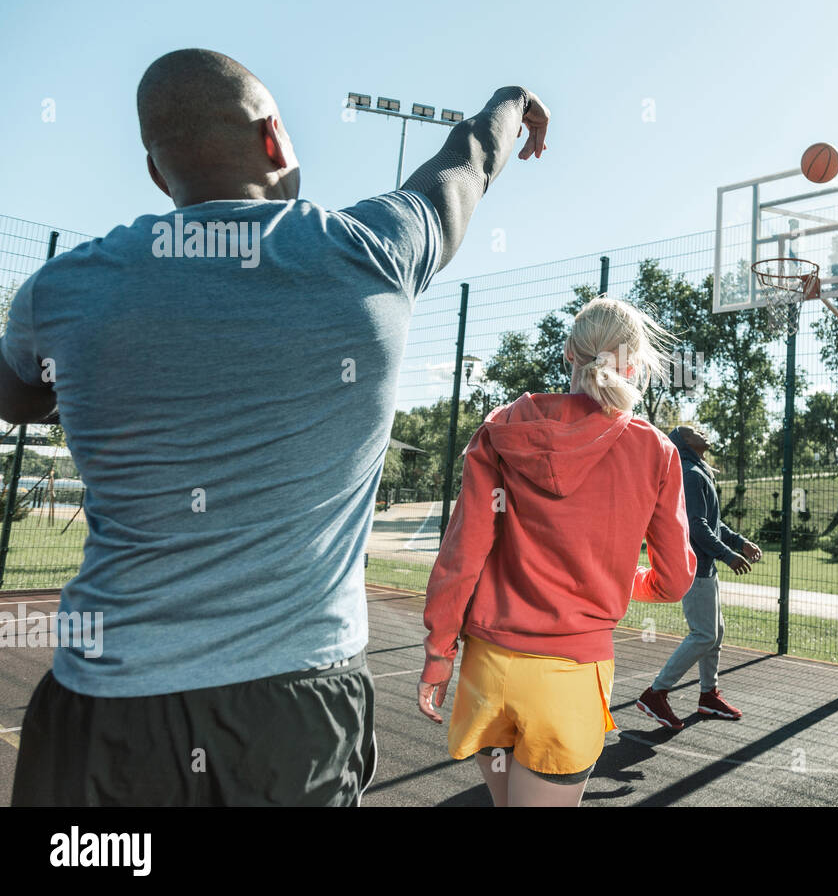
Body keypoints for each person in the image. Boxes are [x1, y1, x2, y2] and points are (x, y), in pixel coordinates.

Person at [1, 48, 549, 805]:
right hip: (296, 712)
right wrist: (511, 100)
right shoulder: (376, 250)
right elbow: (466, 165)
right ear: (277, 140)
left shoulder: (62, 289)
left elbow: (19, 398)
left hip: (107, 709)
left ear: (160, 176)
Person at [417, 297, 697, 807]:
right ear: (633, 366)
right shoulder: (656, 451)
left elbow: (462, 555)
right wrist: (625, 580)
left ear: (568, 353)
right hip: (569, 678)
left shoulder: (502, 428)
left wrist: (439, 655)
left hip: (488, 670)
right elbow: (674, 580)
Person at [637, 425, 761, 729]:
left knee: (714, 633)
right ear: (683, 441)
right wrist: (728, 554)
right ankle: (656, 693)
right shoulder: (689, 473)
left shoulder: (698, 470)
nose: (701, 431)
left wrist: (738, 541)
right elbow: (697, 528)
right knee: (704, 634)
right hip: (694, 567)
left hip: (704, 566)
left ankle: (708, 696)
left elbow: (712, 522)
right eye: (693, 430)